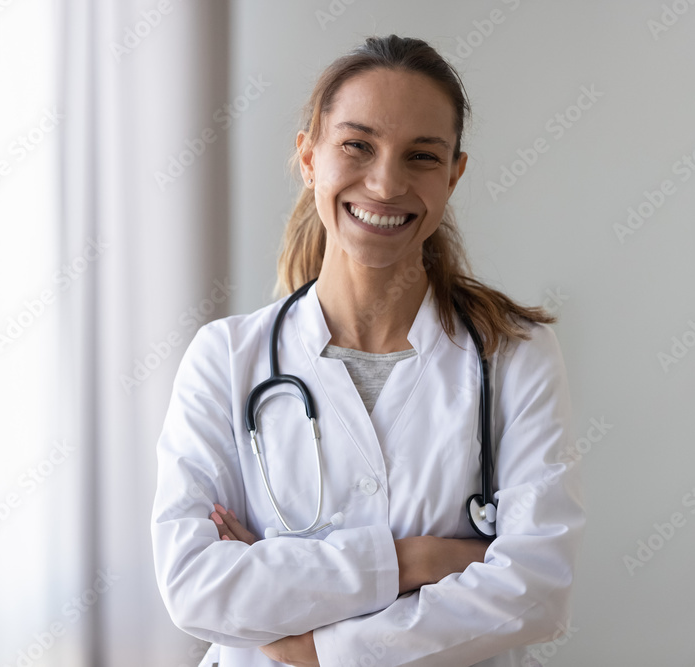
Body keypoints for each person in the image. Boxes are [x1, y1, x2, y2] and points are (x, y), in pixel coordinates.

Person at [151, 34, 585, 667]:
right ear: (309, 156)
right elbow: (196, 589)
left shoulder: (513, 355)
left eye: (421, 156)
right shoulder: (225, 358)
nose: (385, 183)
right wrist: (415, 561)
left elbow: (536, 591)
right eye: (357, 145)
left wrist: (317, 650)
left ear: (454, 176)